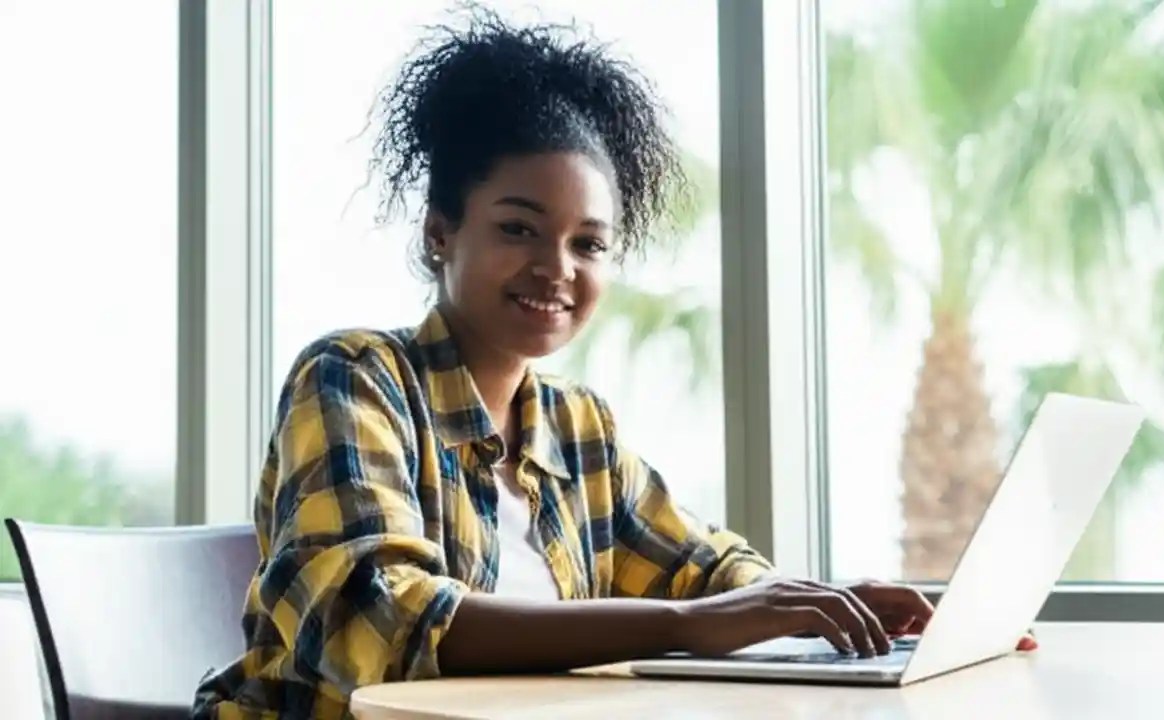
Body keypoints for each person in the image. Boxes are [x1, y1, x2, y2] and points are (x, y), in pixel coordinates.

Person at [192, 9, 1029, 719]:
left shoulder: (575, 428)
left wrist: (823, 610)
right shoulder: (354, 377)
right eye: (518, 229)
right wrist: (687, 627)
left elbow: (708, 573)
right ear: (440, 232)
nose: (555, 268)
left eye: (588, 244)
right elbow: (376, 622)